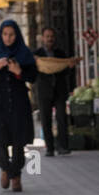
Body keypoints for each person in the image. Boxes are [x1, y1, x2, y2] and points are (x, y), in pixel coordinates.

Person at [0, 19, 39, 192]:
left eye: (11, 34)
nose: (8, 38)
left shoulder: (24, 53)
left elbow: (33, 76)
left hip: (18, 102)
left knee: (18, 140)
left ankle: (16, 175)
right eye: (5, 34)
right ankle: (5, 169)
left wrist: (19, 72)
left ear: (17, 35)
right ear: (1, 34)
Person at [34, 26, 75, 156]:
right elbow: (32, 72)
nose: (49, 39)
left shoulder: (61, 54)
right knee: (46, 120)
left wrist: (70, 66)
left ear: (54, 38)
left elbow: (66, 71)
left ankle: (63, 146)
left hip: (59, 90)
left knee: (62, 119)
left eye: (52, 36)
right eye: (47, 36)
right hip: (44, 91)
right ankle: (50, 148)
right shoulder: (37, 54)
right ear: (43, 38)